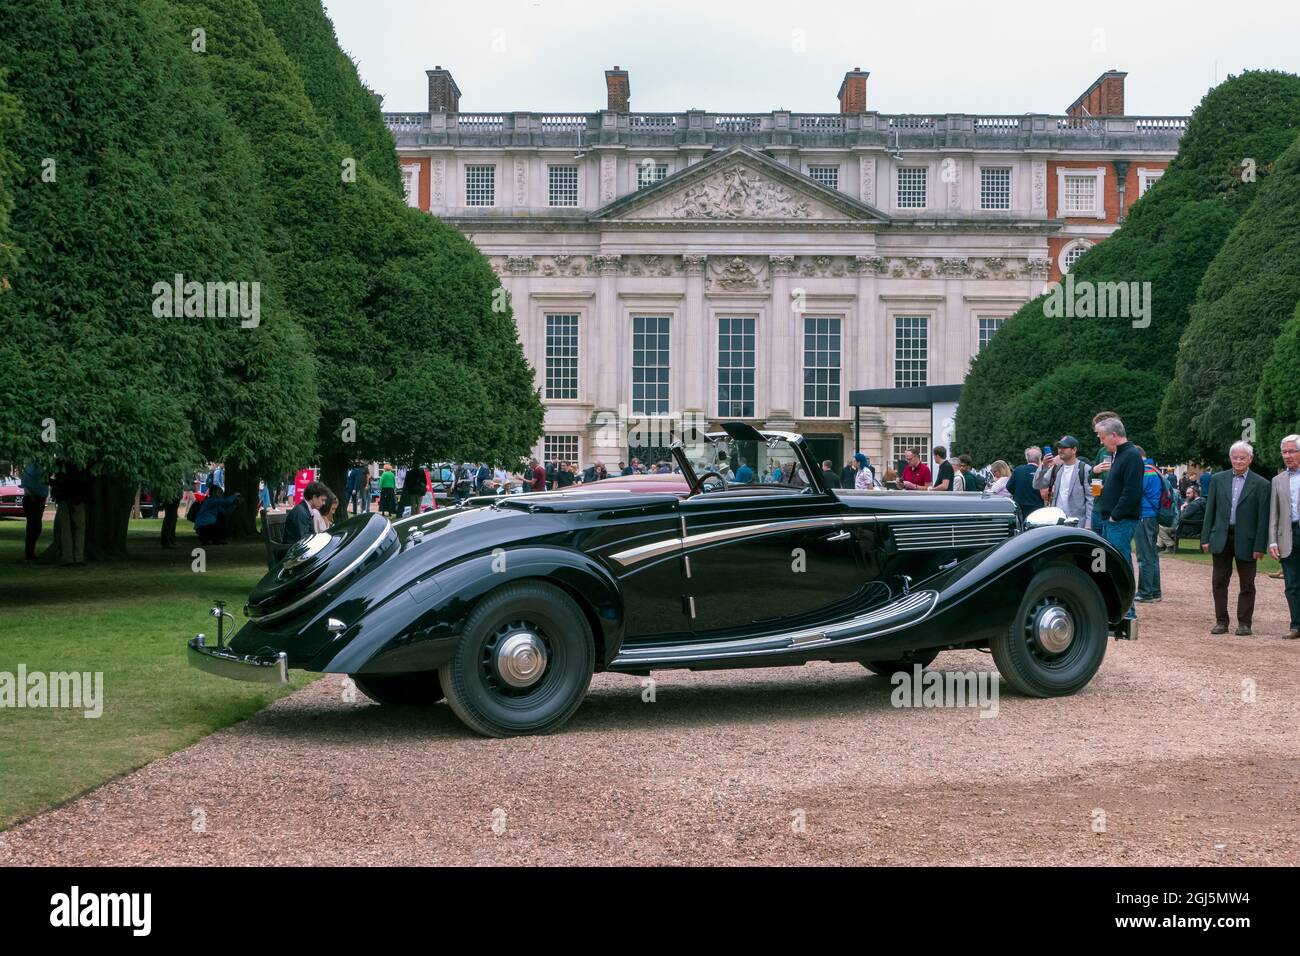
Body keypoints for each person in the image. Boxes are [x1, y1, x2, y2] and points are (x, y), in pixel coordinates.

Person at [1202, 441, 1269, 635]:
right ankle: (1221, 621)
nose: (1238, 461)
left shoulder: (1262, 484)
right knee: (1219, 581)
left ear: (1250, 459)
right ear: (1230, 458)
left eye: (1243, 457)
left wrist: (1260, 545)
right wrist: (1205, 537)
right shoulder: (1218, 479)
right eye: (1235, 457)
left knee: (1247, 583)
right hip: (1221, 536)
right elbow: (1210, 511)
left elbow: (1263, 519)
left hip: (1247, 540)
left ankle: (1244, 623)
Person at [1095, 417, 1143, 621]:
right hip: (1111, 519)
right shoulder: (1118, 455)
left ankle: (1127, 609)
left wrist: (1116, 515)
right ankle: (1116, 606)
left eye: (1102, 437)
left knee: (1121, 564)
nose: (1101, 442)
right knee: (1111, 564)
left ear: (1114, 436)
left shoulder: (1131, 456)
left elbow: (1132, 491)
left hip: (1120, 521)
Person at [1267, 434, 1300, 640]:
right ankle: (1296, 625)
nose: (1287, 456)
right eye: (1284, 452)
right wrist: (1272, 540)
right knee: (1292, 584)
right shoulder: (1278, 480)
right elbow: (1274, 514)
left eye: (1291, 451)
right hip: (1288, 536)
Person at [1033, 436, 1093, 528]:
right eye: (1059, 447)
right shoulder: (1056, 468)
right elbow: (1037, 485)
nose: (1060, 450)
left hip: (1077, 524)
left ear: (1074, 450)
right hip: (1057, 521)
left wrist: (1088, 525)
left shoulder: (1084, 469)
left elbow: (1090, 499)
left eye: (1064, 448)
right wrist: (1043, 465)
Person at [1133, 447, 1164, 604]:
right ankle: (1154, 591)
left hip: (1144, 515)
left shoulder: (1143, 471)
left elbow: (1134, 492)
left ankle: (1145, 592)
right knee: (1152, 555)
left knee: (1144, 556)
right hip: (1151, 515)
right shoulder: (1153, 469)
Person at [50, 461, 91, 566]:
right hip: (77, 498)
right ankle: (78, 557)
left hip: (64, 497)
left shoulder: (60, 464)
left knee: (66, 529)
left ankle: (68, 557)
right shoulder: (81, 464)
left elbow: (51, 479)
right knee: (79, 528)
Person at [19, 461, 48, 561]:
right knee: (33, 527)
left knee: (34, 527)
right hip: (33, 499)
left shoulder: (33, 467)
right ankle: (29, 553)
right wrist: (31, 495)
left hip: (36, 498)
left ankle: (30, 552)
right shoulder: (33, 467)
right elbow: (26, 484)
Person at [284, 480, 328, 545]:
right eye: (322, 500)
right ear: (314, 497)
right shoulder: (301, 512)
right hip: (292, 552)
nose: (324, 503)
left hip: (296, 549)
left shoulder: (304, 509)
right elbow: (304, 540)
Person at [1006, 448, 1044, 519]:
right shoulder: (1042, 471)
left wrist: (1018, 493)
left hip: (1020, 506)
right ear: (1039, 459)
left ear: (1027, 458)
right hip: (1037, 507)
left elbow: (1009, 486)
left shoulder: (1018, 470)